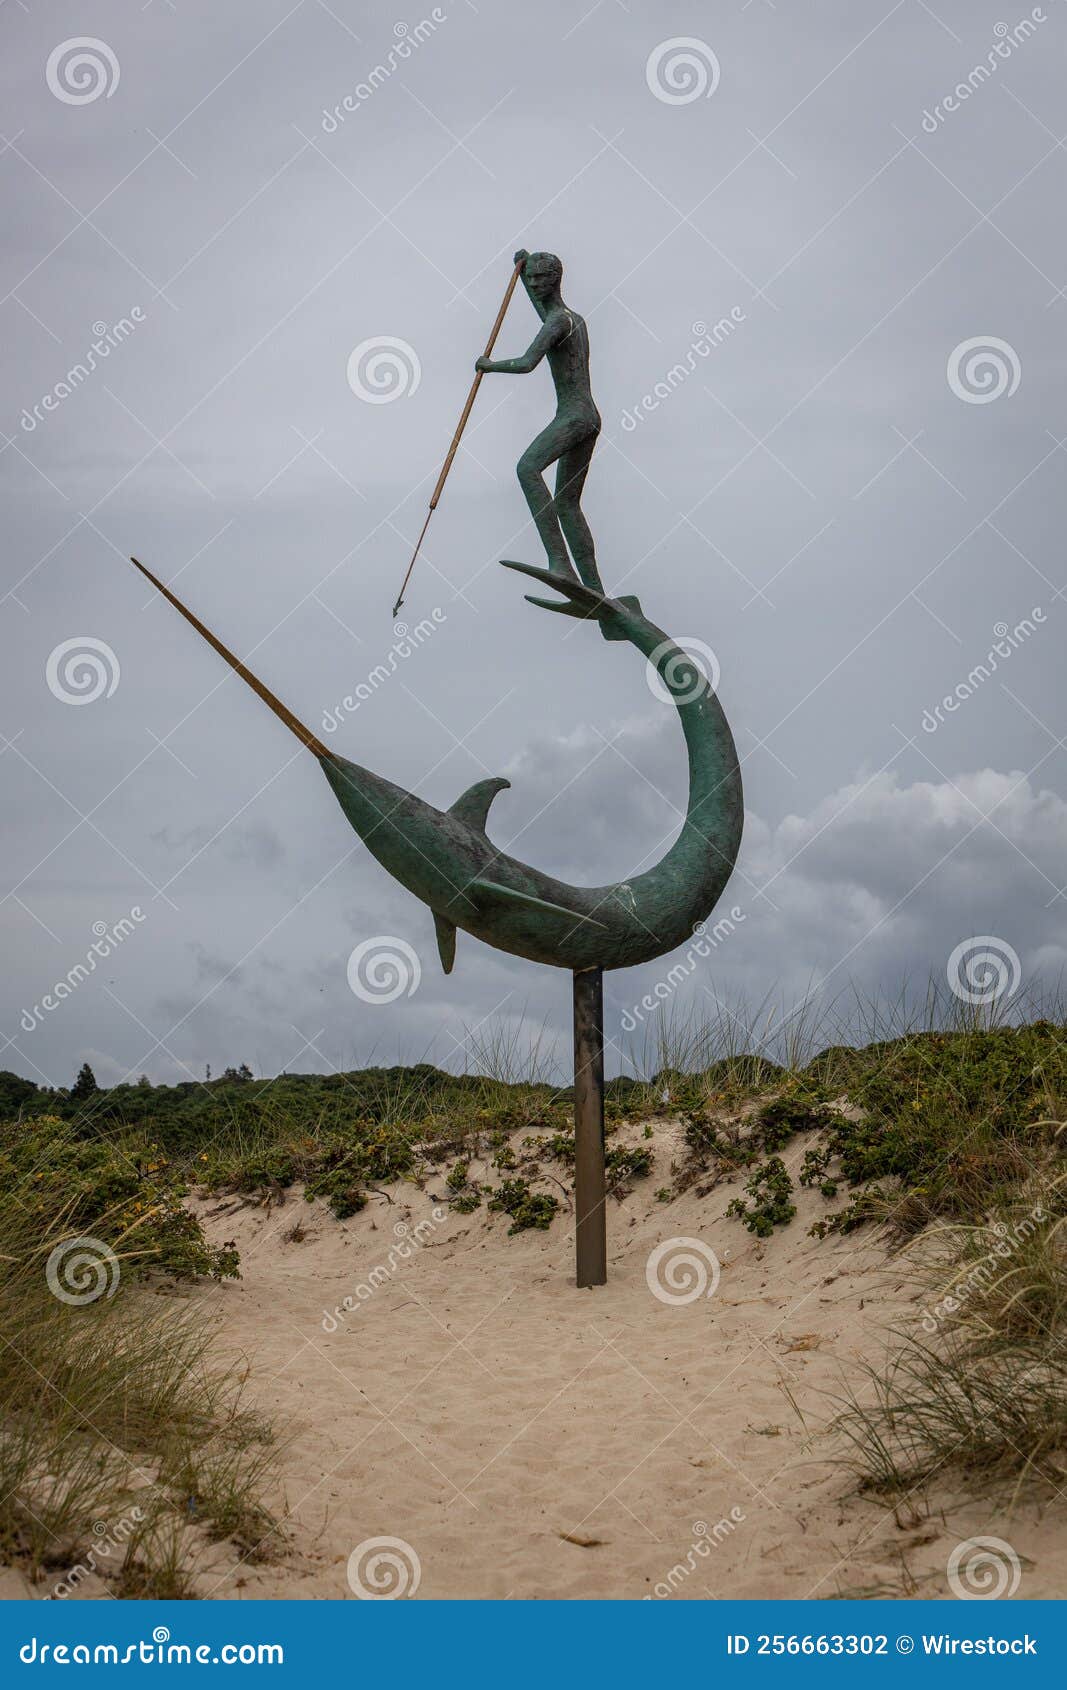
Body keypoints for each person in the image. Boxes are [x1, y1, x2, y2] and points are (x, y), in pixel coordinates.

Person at [476, 249, 604, 592]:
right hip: (587, 416)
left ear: (554, 280)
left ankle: (560, 563)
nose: (533, 283)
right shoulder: (570, 317)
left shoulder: (557, 322)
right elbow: (544, 309)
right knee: (567, 502)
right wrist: (521, 276)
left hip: (575, 417)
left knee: (527, 468)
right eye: (530, 278)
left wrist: (488, 365)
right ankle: (594, 591)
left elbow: (527, 362)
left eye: (539, 279)